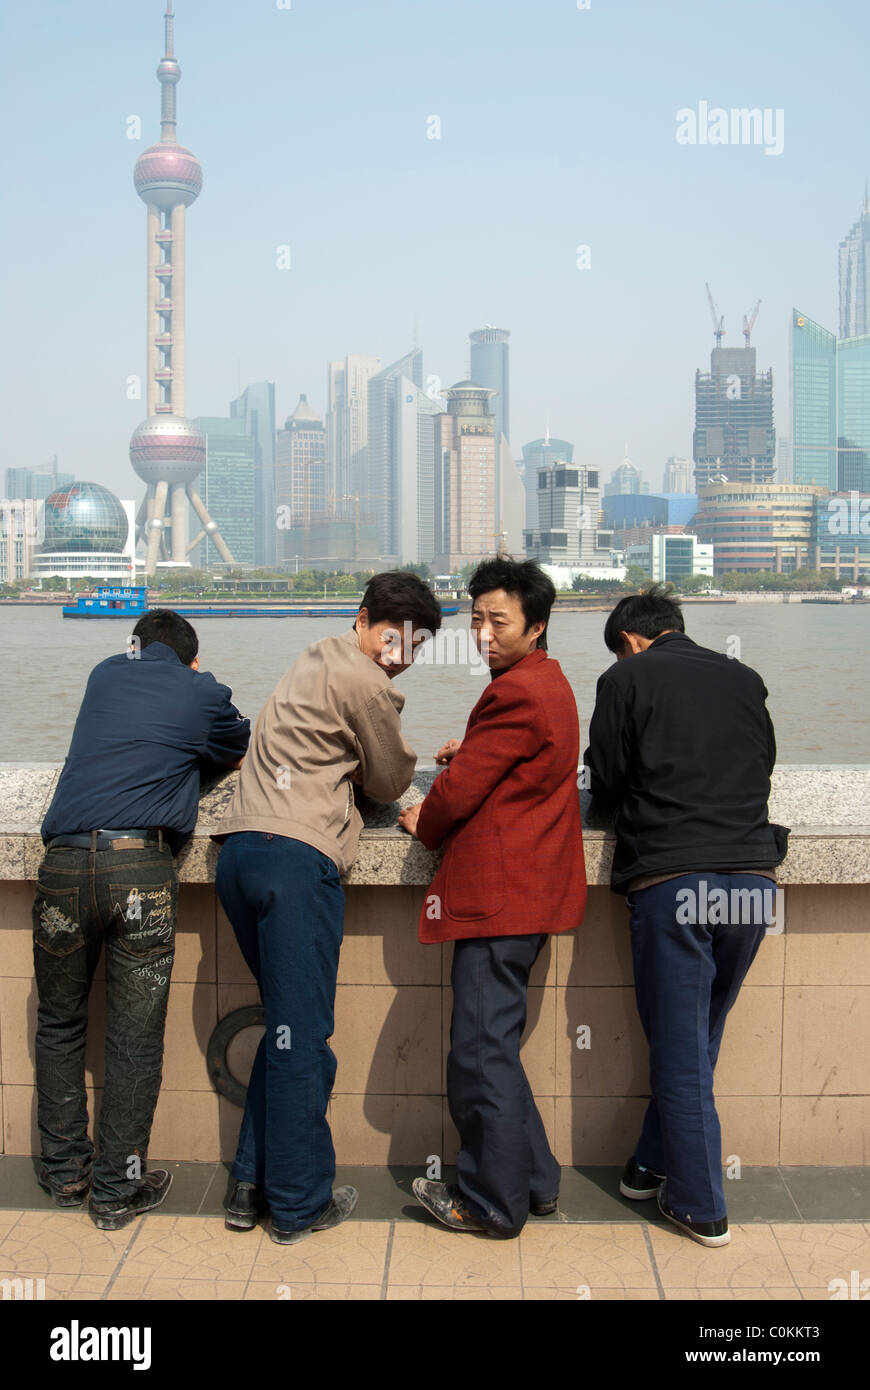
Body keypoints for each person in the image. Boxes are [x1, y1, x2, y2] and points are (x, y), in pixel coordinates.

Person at [213, 571, 442, 1244]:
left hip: (240, 855)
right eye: (394, 638)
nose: (400, 655)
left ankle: (249, 1184)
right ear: (365, 620)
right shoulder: (367, 682)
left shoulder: (313, 655)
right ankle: (299, 1204)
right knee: (304, 1040)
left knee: (288, 1031)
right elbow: (392, 778)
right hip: (294, 859)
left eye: (416, 646)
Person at [584, 584, 789, 1247]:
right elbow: (764, 763)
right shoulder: (745, 677)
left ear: (630, 641)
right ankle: (649, 1164)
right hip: (753, 883)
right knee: (696, 1038)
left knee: (679, 1051)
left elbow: (607, 783)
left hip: (675, 880)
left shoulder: (626, 679)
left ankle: (701, 1207)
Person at [35, 609, 250, 1230]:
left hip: (65, 864)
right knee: (134, 1035)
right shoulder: (200, 689)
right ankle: (115, 1189)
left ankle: (64, 1170)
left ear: (134, 646)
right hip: (139, 869)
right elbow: (235, 746)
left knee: (58, 1020)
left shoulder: (103, 673)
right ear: (191, 658)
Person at [399, 557, 586, 1238]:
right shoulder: (548, 681)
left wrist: (426, 819)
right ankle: (535, 1183)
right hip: (529, 892)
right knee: (496, 1050)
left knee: (478, 1055)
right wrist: (471, 751)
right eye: (475, 618)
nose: (481, 632)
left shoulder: (517, 692)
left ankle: (489, 1205)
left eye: (497, 620)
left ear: (535, 626)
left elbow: (461, 794)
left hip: (499, 897)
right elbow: (504, 768)